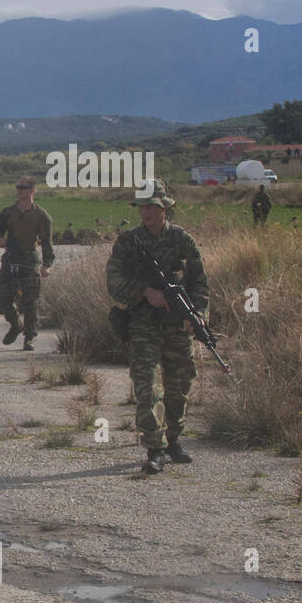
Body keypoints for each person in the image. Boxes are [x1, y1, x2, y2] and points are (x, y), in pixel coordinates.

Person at [105, 180, 208, 475]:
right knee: (147, 386)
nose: (147, 212)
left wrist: (197, 314)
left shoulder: (182, 240)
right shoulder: (128, 242)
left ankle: (173, 440)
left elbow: (200, 281)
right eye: (142, 206)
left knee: (179, 385)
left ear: (165, 208)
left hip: (177, 326)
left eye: (152, 206)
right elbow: (114, 280)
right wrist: (145, 292)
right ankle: (155, 448)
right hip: (143, 325)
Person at [0, 176, 54, 350]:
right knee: (1, 292)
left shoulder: (41, 215)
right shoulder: (8, 212)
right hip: (11, 258)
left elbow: (47, 242)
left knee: (31, 300)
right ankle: (15, 323)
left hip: (29, 259)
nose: (20, 190)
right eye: (18, 187)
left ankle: (30, 337)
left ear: (32, 190)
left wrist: (47, 265)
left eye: (24, 188)